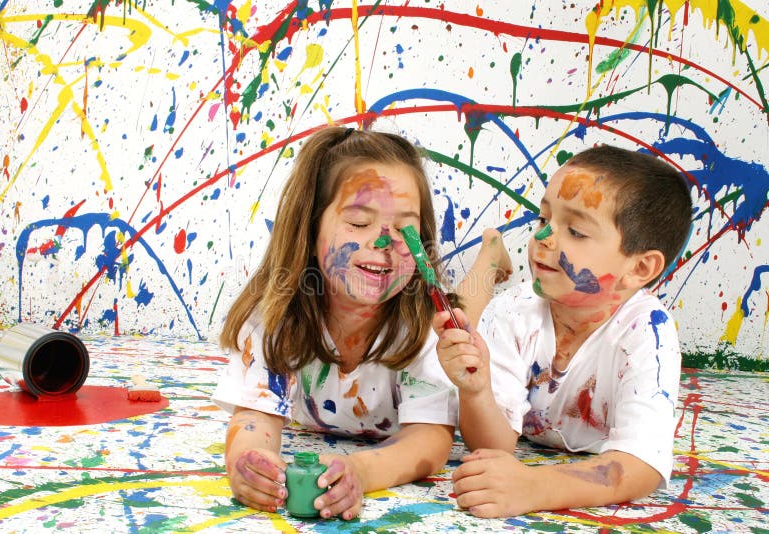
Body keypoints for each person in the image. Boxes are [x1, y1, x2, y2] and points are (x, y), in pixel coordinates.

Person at [211, 125, 510, 521]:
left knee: (460, 315)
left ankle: (490, 257)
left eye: (405, 228)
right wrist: (250, 463)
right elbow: (253, 417)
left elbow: (431, 437)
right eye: (358, 223)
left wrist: (362, 470)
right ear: (310, 225)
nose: (383, 243)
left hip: (421, 314)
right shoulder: (277, 316)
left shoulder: (426, 326)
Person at [434, 144, 693, 518]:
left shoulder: (647, 331)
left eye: (574, 230)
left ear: (639, 269)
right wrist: (474, 392)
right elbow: (494, 444)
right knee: (457, 320)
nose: (543, 238)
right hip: (504, 317)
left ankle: (490, 255)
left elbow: (641, 465)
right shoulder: (514, 310)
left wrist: (536, 487)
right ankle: (490, 257)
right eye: (543, 220)